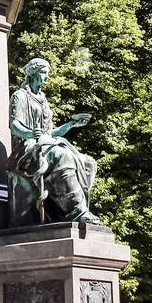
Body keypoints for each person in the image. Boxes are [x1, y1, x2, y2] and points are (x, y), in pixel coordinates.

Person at [7, 57, 99, 225]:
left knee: (87, 162)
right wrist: (31, 133)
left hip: (45, 142)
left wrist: (71, 124)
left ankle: (67, 212)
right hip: (27, 148)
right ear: (33, 74)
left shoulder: (43, 99)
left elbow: (50, 132)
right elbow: (14, 126)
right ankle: (77, 211)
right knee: (61, 155)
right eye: (43, 73)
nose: (46, 77)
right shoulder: (20, 96)